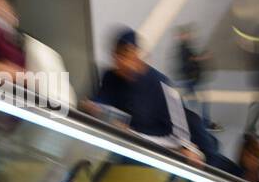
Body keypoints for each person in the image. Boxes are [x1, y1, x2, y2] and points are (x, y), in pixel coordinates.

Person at [87, 28, 204, 164]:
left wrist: (134, 135)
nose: (123, 64)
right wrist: (94, 107)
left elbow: (179, 139)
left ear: (138, 55)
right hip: (123, 151)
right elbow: (103, 100)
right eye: (118, 58)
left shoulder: (163, 86)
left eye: (127, 57)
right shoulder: (111, 76)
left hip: (155, 156)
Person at [174, 25, 219, 131]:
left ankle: (193, 123)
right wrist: (205, 57)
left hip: (189, 79)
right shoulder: (183, 48)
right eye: (185, 34)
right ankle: (203, 123)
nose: (188, 36)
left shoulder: (185, 46)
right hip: (189, 79)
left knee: (193, 101)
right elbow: (192, 59)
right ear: (181, 36)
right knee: (201, 100)